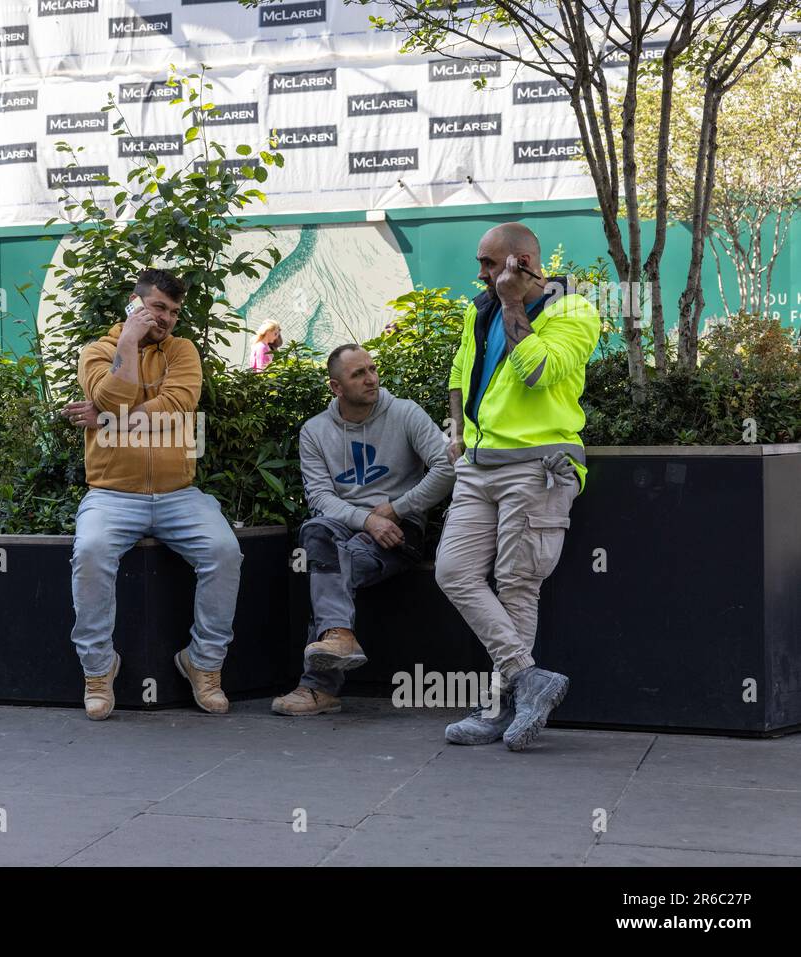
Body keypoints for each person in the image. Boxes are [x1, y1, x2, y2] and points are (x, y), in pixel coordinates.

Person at [435, 222, 600, 751]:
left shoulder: (573, 310)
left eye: (491, 265)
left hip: (539, 466)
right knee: (453, 572)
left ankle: (499, 707)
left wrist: (512, 306)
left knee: (516, 583)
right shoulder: (478, 306)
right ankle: (530, 679)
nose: (481, 275)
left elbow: (538, 372)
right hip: (477, 466)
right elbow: (461, 370)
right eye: (482, 264)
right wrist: (456, 431)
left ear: (525, 262)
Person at [61, 268, 242, 720]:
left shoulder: (183, 351)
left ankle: (203, 662)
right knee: (91, 551)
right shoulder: (97, 352)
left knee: (224, 551)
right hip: (111, 494)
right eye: (158, 307)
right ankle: (99, 669)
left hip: (179, 493)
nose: (165, 318)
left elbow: (179, 406)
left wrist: (104, 418)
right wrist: (127, 344)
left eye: (174, 312)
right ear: (134, 303)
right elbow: (116, 395)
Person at [272, 345, 455, 716]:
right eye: (358, 374)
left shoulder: (405, 413)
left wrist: (397, 509)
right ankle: (336, 645)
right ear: (336, 387)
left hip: (400, 534)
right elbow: (320, 497)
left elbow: (448, 467)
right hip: (342, 531)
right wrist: (367, 519)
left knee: (326, 575)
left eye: (372, 369)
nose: (371, 378)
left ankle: (319, 686)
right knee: (317, 531)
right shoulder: (315, 431)